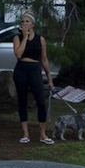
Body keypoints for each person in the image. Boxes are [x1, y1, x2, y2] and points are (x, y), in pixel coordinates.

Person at [12, 12, 55, 144]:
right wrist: (25, 38)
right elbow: (18, 54)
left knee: (41, 101)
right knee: (22, 100)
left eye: (27, 21)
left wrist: (50, 78)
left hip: (35, 69)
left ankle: (42, 133)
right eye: (22, 22)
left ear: (32, 24)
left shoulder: (40, 39)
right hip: (21, 69)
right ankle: (25, 133)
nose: (24, 24)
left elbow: (44, 59)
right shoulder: (17, 37)